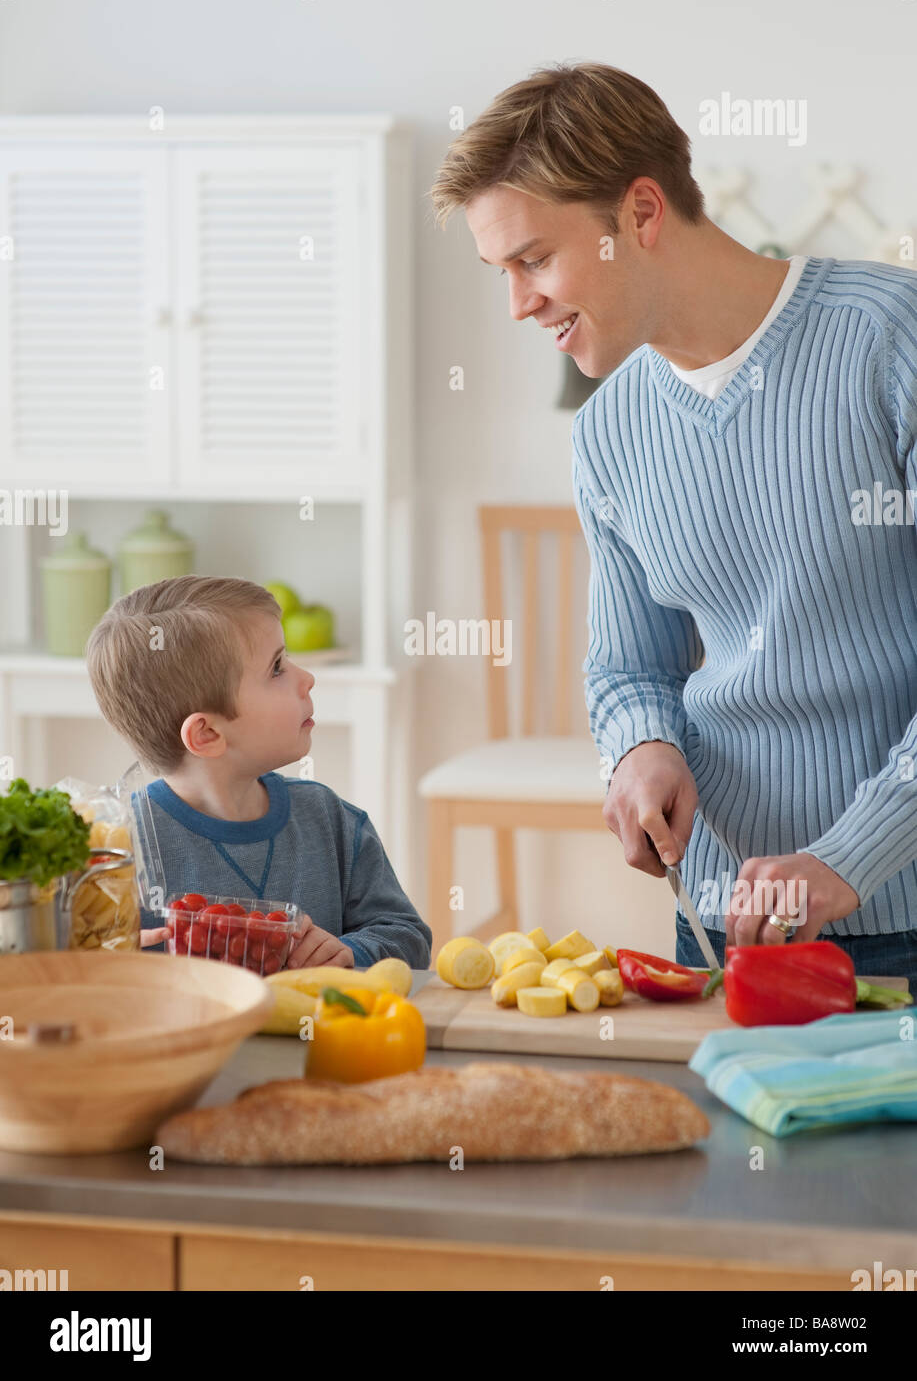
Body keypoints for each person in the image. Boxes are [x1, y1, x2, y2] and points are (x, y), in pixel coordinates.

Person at [431, 61, 917, 993]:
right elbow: (627, 668)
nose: (519, 303)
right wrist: (642, 746)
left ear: (641, 215)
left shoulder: (889, 341)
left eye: (533, 258)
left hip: (897, 919)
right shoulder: (610, 429)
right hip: (719, 925)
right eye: (503, 272)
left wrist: (846, 859)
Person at [86, 575, 431, 970]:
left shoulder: (331, 821)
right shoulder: (115, 851)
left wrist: (353, 952)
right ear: (208, 733)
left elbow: (408, 936)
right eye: (278, 668)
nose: (307, 678)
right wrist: (105, 961)